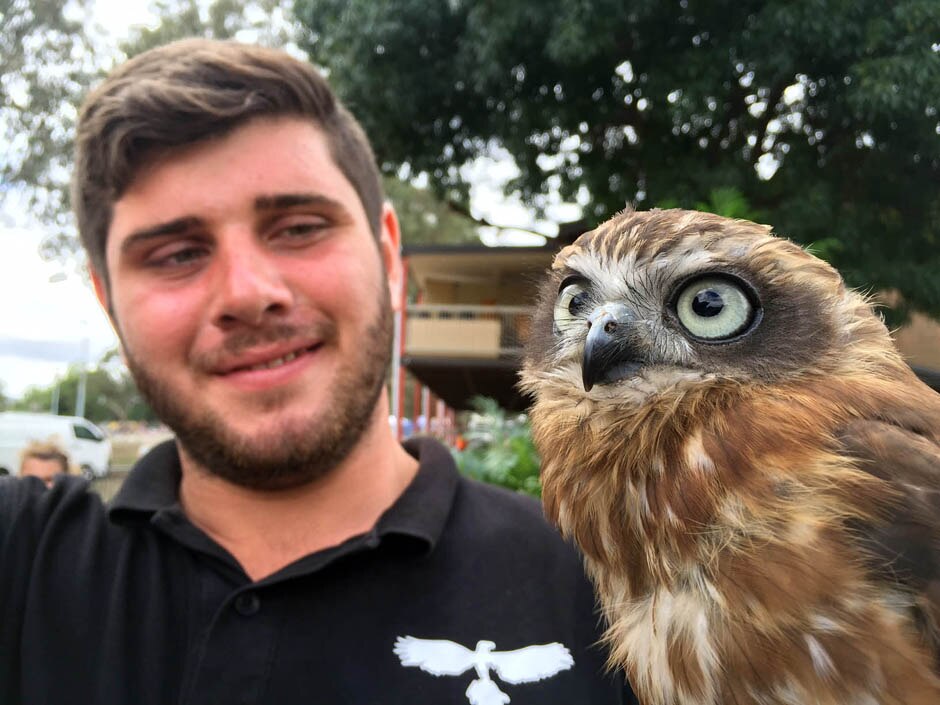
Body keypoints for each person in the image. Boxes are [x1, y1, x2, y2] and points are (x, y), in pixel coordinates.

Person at [0, 39, 637, 705]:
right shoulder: (24, 559)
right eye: (177, 254)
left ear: (389, 256)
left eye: (299, 227)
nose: (248, 292)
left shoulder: (615, 590)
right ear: (107, 302)